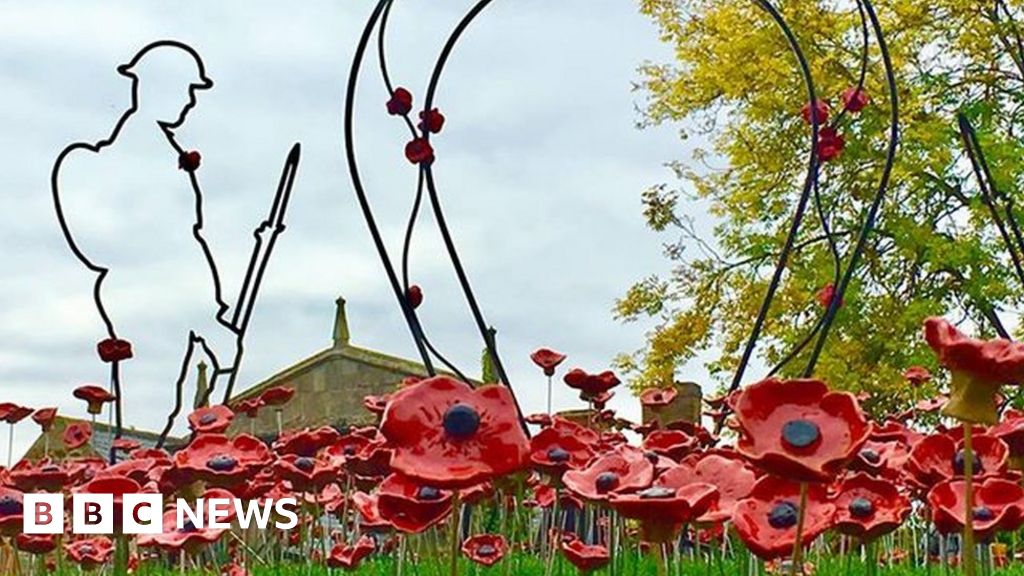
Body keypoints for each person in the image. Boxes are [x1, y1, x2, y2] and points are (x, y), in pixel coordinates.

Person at [51, 41, 282, 440]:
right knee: (157, 403)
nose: (191, 101)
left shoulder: (164, 151)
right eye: (186, 90)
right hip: (150, 297)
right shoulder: (122, 156)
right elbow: (153, 245)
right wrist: (198, 311)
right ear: (155, 87)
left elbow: (186, 241)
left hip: (184, 294)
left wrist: (210, 312)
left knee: (183, 400)